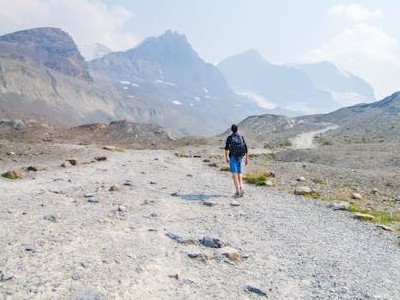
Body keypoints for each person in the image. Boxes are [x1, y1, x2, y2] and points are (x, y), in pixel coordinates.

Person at [224, 124, 249, 197]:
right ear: (237, 129)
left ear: (231, 130)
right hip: (240, 157)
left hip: (233, 157)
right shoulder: (241, 137)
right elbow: (246, 148)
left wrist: (226, 158)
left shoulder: (230, 137)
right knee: (239, 172)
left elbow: (226, 149)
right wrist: (247, 158)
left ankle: (238, 191)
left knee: (234, 174)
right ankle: (241, 185)